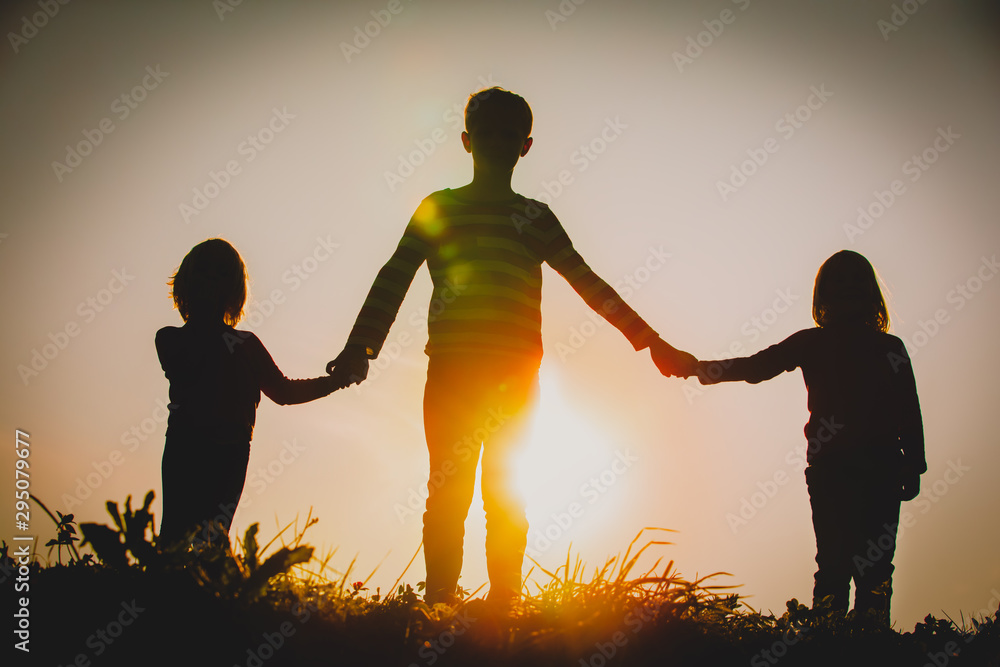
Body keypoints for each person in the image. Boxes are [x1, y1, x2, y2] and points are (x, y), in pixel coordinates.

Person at [328, 87, 695, 606]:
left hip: (515, 379)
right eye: (487, 132)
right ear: (467, 140)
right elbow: (395, 275)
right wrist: (360, 347)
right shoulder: (439, 209)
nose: (497, 141)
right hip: (452, 374)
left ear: (525, 146)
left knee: (505, 495)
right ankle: (439, 604)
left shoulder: (535, 217)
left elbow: (588, 283)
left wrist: (650, 341)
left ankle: (504, 606)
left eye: (508, 133)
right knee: (447, 495)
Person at [694, 250, 925, 623]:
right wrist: (699, 369)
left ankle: (870, 647)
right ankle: (828, 646)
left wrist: (914, 465)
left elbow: (907, 408)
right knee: (835, 564)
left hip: (880, 468)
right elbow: (757, 366)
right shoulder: (812, 343)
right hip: (832, 469)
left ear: (871, 293)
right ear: (824, 295)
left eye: (856, 281)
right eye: (840, 281)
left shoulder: (889, 348)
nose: (849, 288)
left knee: (876, 568)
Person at [156, 238, 343, 546]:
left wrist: (335, 382)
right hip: (185, 447)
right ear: (188, 282)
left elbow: (282, 392)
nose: (211, 280)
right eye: (204, 272)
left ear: (232, 288)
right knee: (174, 535)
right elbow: (191, 363)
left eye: (220, 274)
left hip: (231, 451)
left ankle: (209, 592)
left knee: (213, 539)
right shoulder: (170, 339)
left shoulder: (246, 344)